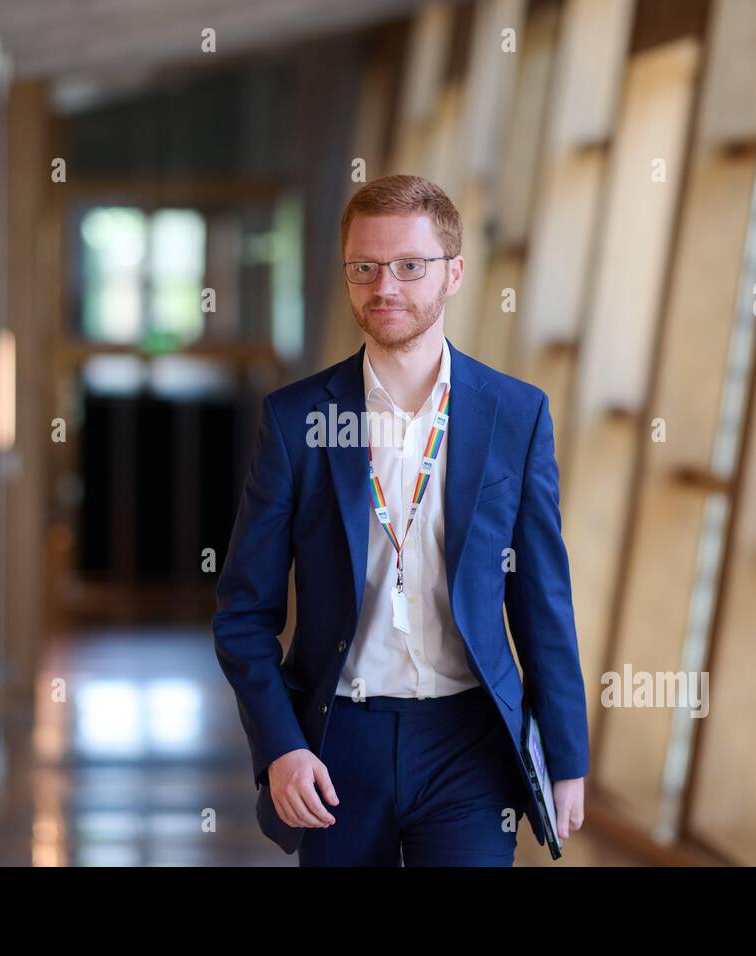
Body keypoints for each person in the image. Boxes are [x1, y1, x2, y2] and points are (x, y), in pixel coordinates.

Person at [212, 174, 589, 866]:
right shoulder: (297, 421)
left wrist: (566, 756)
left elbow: (543, 601)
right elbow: (242, 610)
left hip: (470, 743)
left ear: (454, 274)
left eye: (409, 266)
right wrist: (281, 746)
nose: (384, 286)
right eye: (365, 267)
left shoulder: (516, 414)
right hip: (336, 741)